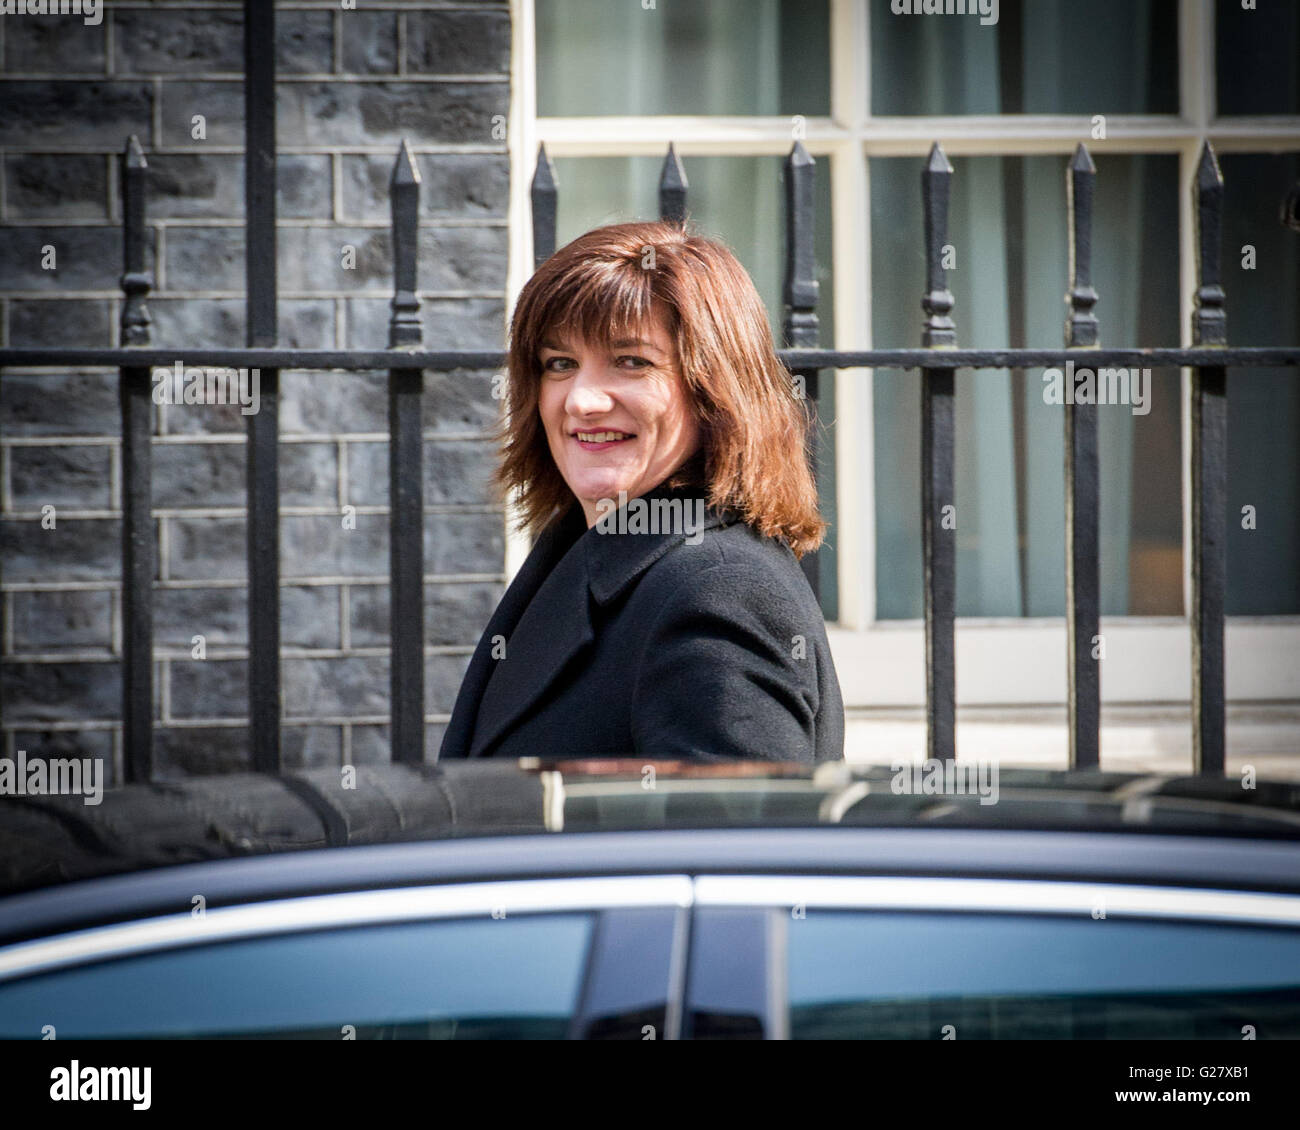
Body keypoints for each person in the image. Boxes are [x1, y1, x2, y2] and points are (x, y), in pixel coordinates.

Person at [438, 220, 844, 762]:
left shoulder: (718, 592)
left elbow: (740, 840)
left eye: (632, 362)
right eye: (560, 364)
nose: (581, 400)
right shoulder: (587, 549)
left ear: (714, 390)